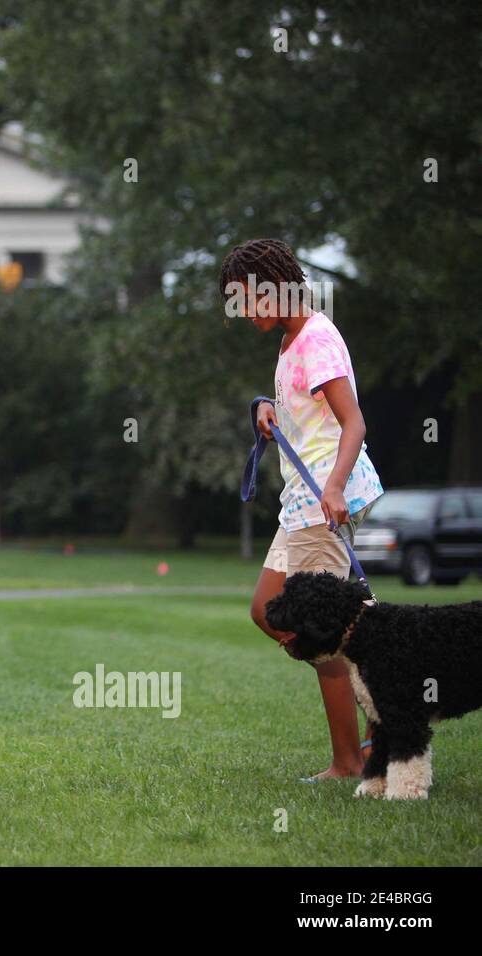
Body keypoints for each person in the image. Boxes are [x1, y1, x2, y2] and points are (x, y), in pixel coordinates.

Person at [223, 238, 385, 782]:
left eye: (246, 300)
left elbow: (353, 423)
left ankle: (351, 759)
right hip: (300, 503)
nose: (244, 312)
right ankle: (379, 717)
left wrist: (335, 488)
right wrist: (270, 409)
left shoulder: (316, 337)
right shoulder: (292, 341)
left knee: (320, 633)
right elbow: (309, 411)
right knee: (268, 609)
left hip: (324, 501)